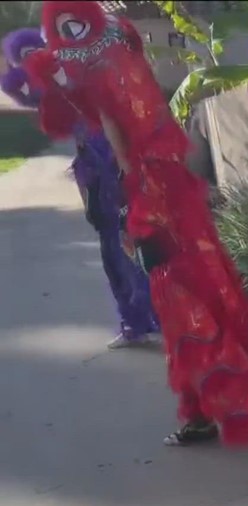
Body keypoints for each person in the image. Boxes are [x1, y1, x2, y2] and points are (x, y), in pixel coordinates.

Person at [24, 1, 248, 489]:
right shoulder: (110, 39)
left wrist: (129, 190)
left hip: (153, 194)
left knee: (186, 310)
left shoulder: (90, 52)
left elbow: (115, 124)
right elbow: (117, 116)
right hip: (163, 184)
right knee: (179, 305)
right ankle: (199, 413)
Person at [1, 27, 160, 349]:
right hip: (93, 171)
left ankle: (163, 318)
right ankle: (133, 322)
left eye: (34, 52)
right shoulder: (50, 89)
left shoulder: (76, 72)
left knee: (139, 241)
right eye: (24, 58)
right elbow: (28, 95)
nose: (32, 60)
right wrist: (9, 75)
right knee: (111, 247)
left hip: (120, 163)